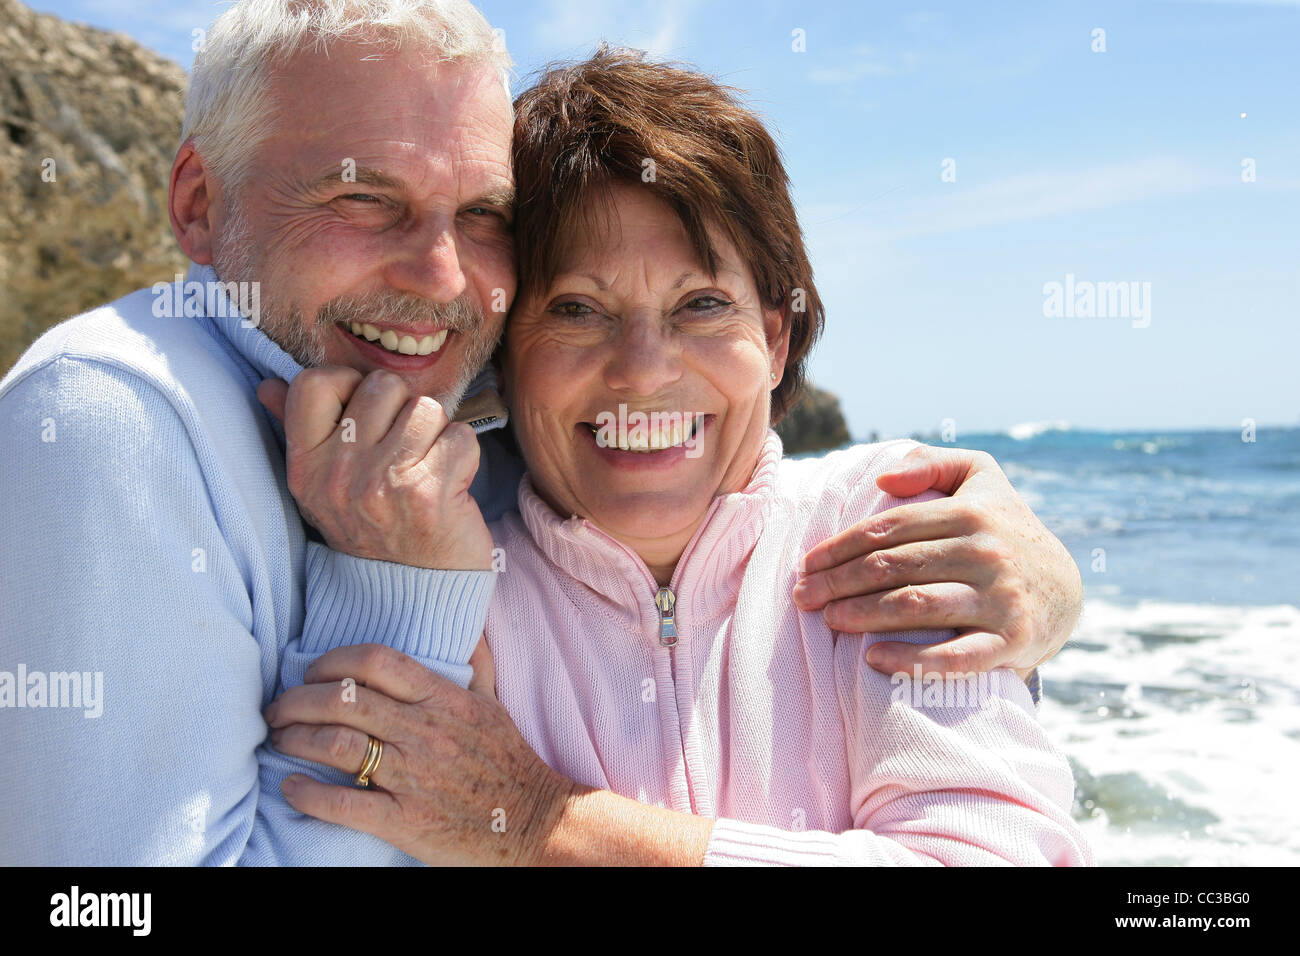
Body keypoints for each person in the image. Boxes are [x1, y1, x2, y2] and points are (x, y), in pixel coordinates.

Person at [0, 0, 1079, 865]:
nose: (436, 276)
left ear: (778, 334)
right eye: (574, 309)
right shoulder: (438, 551)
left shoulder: (900, 536)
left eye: (477, 216)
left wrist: (545, 825)